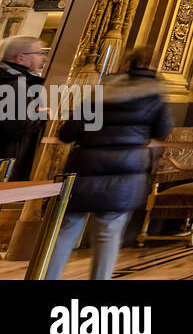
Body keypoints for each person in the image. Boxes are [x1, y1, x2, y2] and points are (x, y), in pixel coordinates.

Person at [47, 47, 173, 280]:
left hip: (85, 168)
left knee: (65, 231)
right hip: (125, 170)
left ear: (127, 64)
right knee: (108, 233)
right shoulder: (156, 96)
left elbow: (69, 132)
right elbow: (163, 131)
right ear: (155, 66)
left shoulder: (101, 91)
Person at [0, 36, 50, 182]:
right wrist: (42, 115)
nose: (43, 57)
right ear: (20, 58)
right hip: (6, 160)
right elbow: (18, 124)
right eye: (39, 53)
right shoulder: (14, 82)